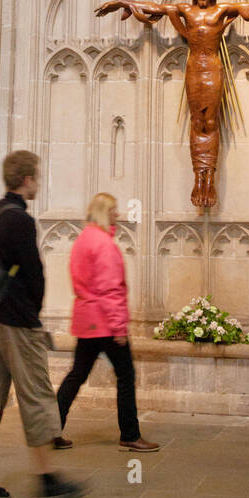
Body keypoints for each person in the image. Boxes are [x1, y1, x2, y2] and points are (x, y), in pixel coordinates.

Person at [0, 150, 86, 498]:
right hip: (16, 323)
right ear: (26, 179)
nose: (38, 182)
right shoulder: (19, 219)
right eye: (36, 176)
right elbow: (34, 274)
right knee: (35, 396)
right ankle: (48, 479)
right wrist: (33, 314)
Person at [56, 193, 158, 452]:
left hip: (86, 319)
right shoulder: (104, 244)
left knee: (77, 375)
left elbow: (82, 282)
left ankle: (49, 429)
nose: (118, 214)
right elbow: (111, 289)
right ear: (104, 212)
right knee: (126, 376)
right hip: (104, 322)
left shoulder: (83, 240)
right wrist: (119, 326)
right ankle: (130, 434)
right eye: (113, 210)